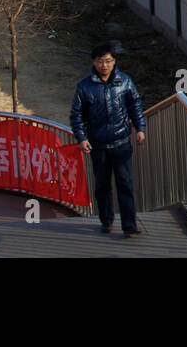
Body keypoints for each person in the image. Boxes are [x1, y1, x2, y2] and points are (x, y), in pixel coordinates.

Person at [69, 44, 146, 235]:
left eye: (108, 61)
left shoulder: (125, 82)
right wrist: (81, 137)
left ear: (114, 62)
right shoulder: (84, 86)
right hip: (98, 144)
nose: (105, 65)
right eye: (101, 61)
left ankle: (129, 224)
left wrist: (140, 128)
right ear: (94, 62)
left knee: (125, 183)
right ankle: (106, 220)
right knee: (102, 184)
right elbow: (76, 115)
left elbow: (135, 105)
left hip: (121, 142)